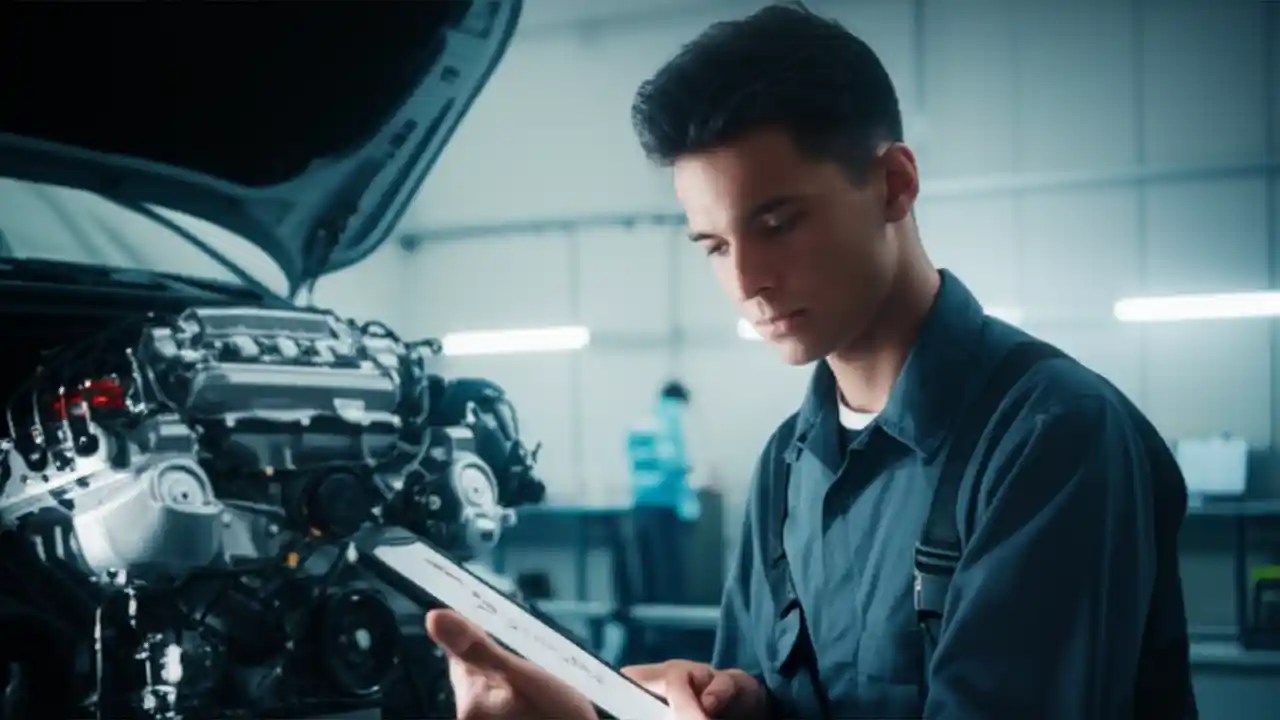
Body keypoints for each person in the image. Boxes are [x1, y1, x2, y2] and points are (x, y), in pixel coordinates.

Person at [424, 3, 1198, 718]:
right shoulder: (788, 469)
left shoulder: (1050, 438)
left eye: (778, 222)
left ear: (894, 184)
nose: (745, 282)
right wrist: (734, 704)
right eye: (716, 246)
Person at [626, 380, 701, 605]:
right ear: (680, 400)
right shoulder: (672, 419)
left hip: (640, 504)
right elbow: (674, 465)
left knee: (648, 571)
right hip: (665, 507)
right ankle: (670, 633)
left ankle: (650, 630)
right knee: (670, 573)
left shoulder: (640, 423)